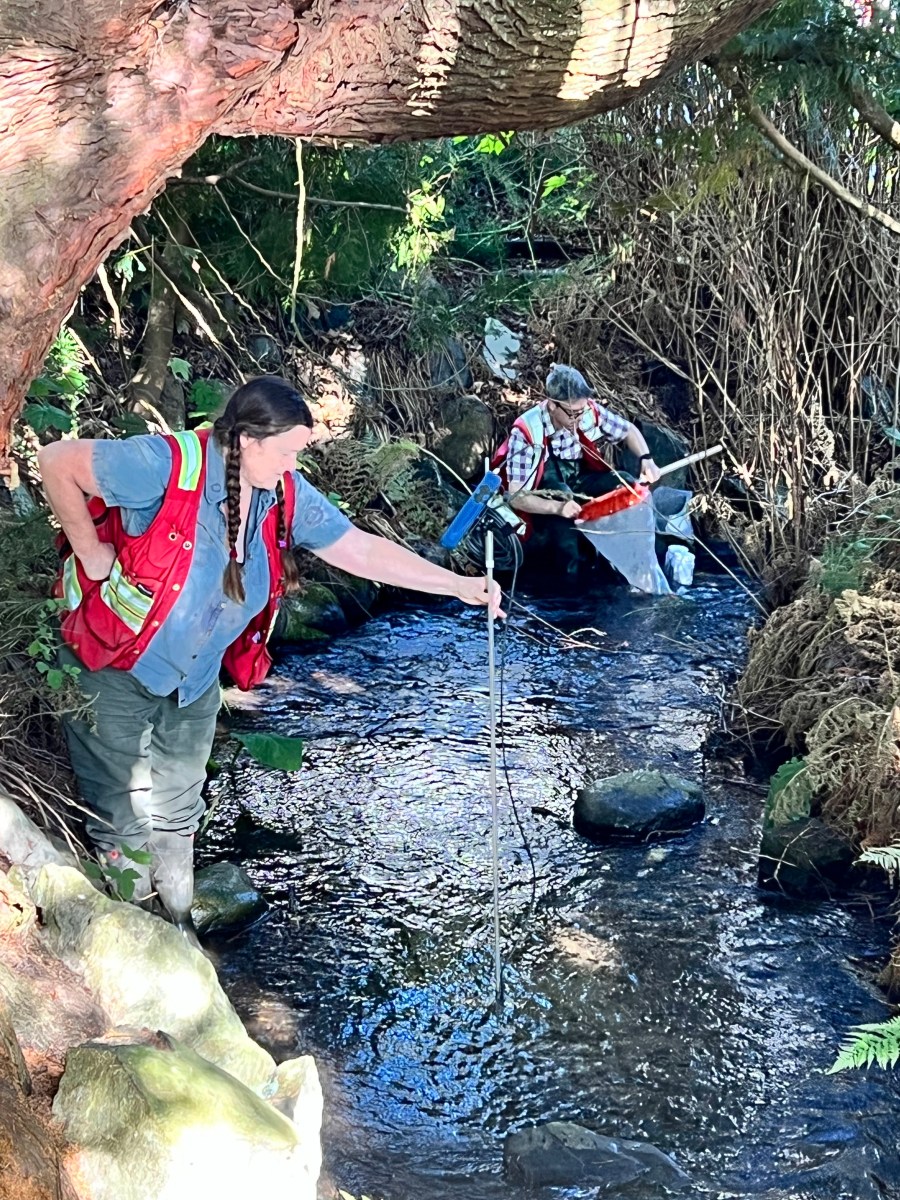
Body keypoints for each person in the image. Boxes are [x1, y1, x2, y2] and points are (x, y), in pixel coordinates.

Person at [38, 375, 501, 941]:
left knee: (179, 817)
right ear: (249, 440)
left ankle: (180, 932)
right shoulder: (165, 465)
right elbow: (57, 460)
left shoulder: (282, 493)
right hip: (114, 667)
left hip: (193, 682)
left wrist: (455, 585)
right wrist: (90, 552)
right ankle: (140, 949)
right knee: (123, 822)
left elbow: (356, 548)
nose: (293, 464)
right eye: (287, 452)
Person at [495, 363, 663, 579]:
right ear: (553, 405)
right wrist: (557, 508)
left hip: (581, 477)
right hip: (546, 489)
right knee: (566, 530)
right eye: (573, 414)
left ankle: (627, 568)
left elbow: (627, 430)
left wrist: (646, 459)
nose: (579, 419)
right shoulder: (527, 431)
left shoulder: (588, 411)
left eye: (582, 412)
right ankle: (572, 594)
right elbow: (516, 496)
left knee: (628, 487)